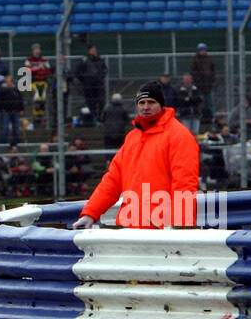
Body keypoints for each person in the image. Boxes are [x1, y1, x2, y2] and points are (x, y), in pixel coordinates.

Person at [73, 81, 200, 229]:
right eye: (142, 102)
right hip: (131, 227)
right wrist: (90, 213)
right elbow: (112, 181)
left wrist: (180, 224)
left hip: (161, 229)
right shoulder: (132, 138)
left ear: (161, 105)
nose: (146, 107)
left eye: (151, 102)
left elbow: (184, 184)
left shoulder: (179, 136)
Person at [74, 45, 108, 123]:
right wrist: (85, 80)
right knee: (91, 103)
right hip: (89, 86)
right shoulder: (85, 60)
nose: (94, 51)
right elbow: (78, 73)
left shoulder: (100, 59)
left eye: (95, 49)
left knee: (101, 101)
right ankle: (93, 119)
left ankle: (100, 118)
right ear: (89, 50)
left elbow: (105, 70)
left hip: (99, 85)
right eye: (92, 49)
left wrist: (100, 77)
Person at [23, 44, 53, 127]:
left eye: (38, 49)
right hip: (33, 82)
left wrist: (37, 70)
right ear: (33, 51)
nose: (37, 51)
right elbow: (28, 70)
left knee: (42, 100)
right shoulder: (29, 59)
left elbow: (47, 70)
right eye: (35, 49)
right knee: (37, 100)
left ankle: (40, 118)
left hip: (43, 82)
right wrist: (40, 69)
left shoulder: (44, 59)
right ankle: (36, 119)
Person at [0, 77, 24, 148]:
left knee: (16, 128)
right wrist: (2, 109)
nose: (9, 83)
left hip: (15, 111)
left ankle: (17, 143)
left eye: (10, 81)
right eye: (7, 81)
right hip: (6, 112)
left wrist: (21, 109)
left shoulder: (16, 90)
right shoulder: (2, 91)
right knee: (5, 128)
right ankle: (3, 144)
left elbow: (20, 100)